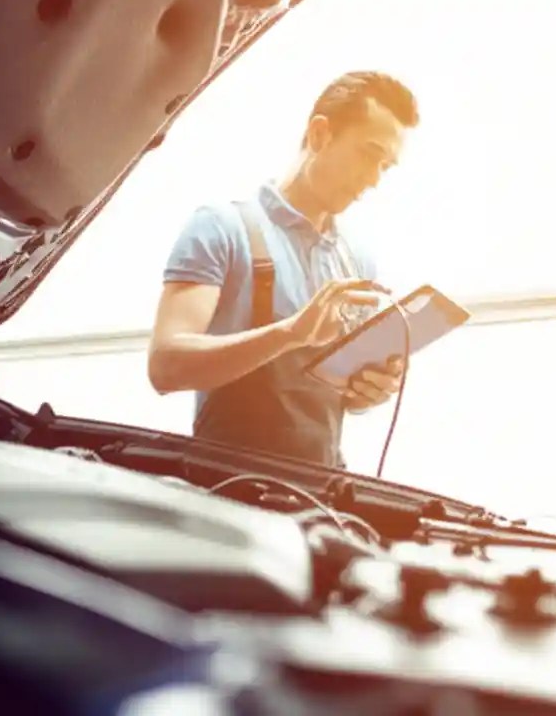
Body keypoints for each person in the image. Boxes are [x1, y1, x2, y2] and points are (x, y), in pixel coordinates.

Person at [147, 70, 419, 469]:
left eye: (386, 167)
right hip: (224, 492)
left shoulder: (356, 259)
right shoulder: (222, 228)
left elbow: (343, 396)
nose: (374, 179)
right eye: (369, 154)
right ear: (320, 134)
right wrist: (290, 334)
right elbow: (165, 366)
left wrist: (368, 390)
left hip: (319, 491)